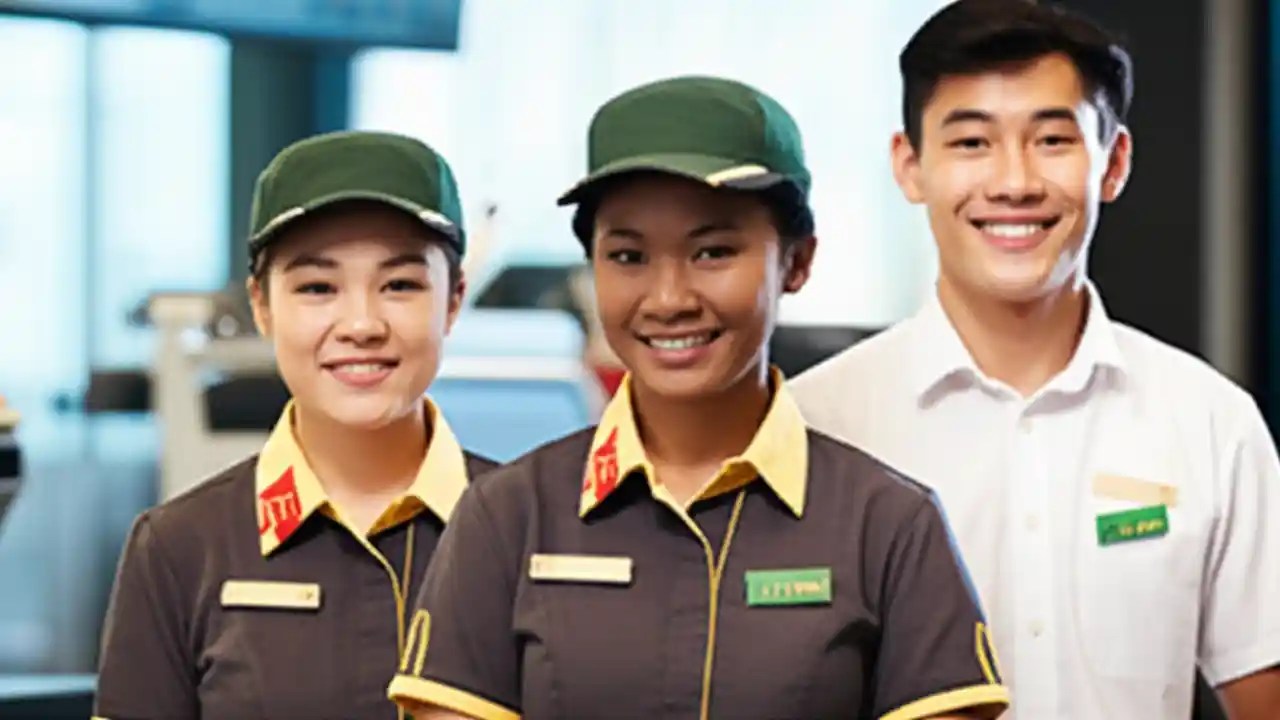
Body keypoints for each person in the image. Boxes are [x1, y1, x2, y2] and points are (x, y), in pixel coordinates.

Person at [386, 76, 1010, 720]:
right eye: (628, 256)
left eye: (713, 251)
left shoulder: (888, 526)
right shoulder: (507, 516)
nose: (669, 299)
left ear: (797, 262)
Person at [791, 1, 1280, 718]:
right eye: (971, 144)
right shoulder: (815, 428)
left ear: (1113, 164)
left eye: (1052, 140)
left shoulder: (1211, 423)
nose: (1013, 182)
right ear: (911, 165)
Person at [94, 130, 496, 720]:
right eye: (317, 288)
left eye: (400, 285)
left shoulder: (527, 534)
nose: (361, 323)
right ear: (261, 305)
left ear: (454, 300)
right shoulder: (179, 549)